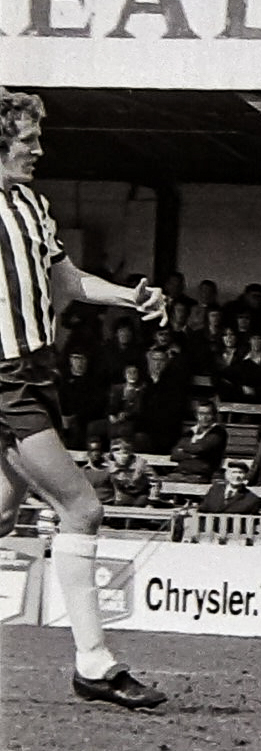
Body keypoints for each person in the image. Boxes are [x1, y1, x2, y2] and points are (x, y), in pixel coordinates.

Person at [0, 92, 170, 706]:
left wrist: (132, 297)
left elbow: (65, 282)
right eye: (28, 141)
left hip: (32, 372)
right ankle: (94, 664)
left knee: (1, 514)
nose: (39, 150)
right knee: (82, 508)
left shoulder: (31, 205)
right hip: (4, 378)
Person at [195, 459, 261, 516]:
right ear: (226, 475)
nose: (237, 476)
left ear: (245, 476)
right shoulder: (214, 490)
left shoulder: (251, 499)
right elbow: (202, 510)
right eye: (233, 472)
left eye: (240, 473)